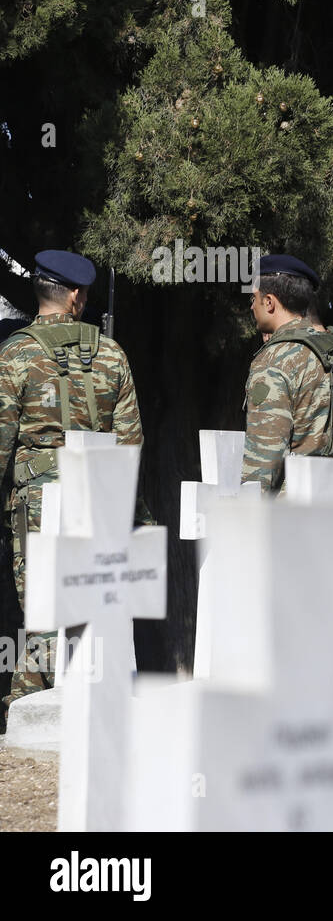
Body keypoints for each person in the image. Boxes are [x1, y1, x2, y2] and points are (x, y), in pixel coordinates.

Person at [0, 250, 146, 710]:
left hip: (38, 500)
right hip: (100, 495)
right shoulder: (112, 352)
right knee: (90, 602)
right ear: (77, 297)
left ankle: (37, 710)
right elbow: (131, 445)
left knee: (44, 605)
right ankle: (40, 702)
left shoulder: (15, 353)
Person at [241, 254, 333, 531]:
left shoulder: (274, 360)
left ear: (269, 303)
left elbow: (264, 458)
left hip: (297, 523)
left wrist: (244, 519)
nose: (251, 307)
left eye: (252, 299)